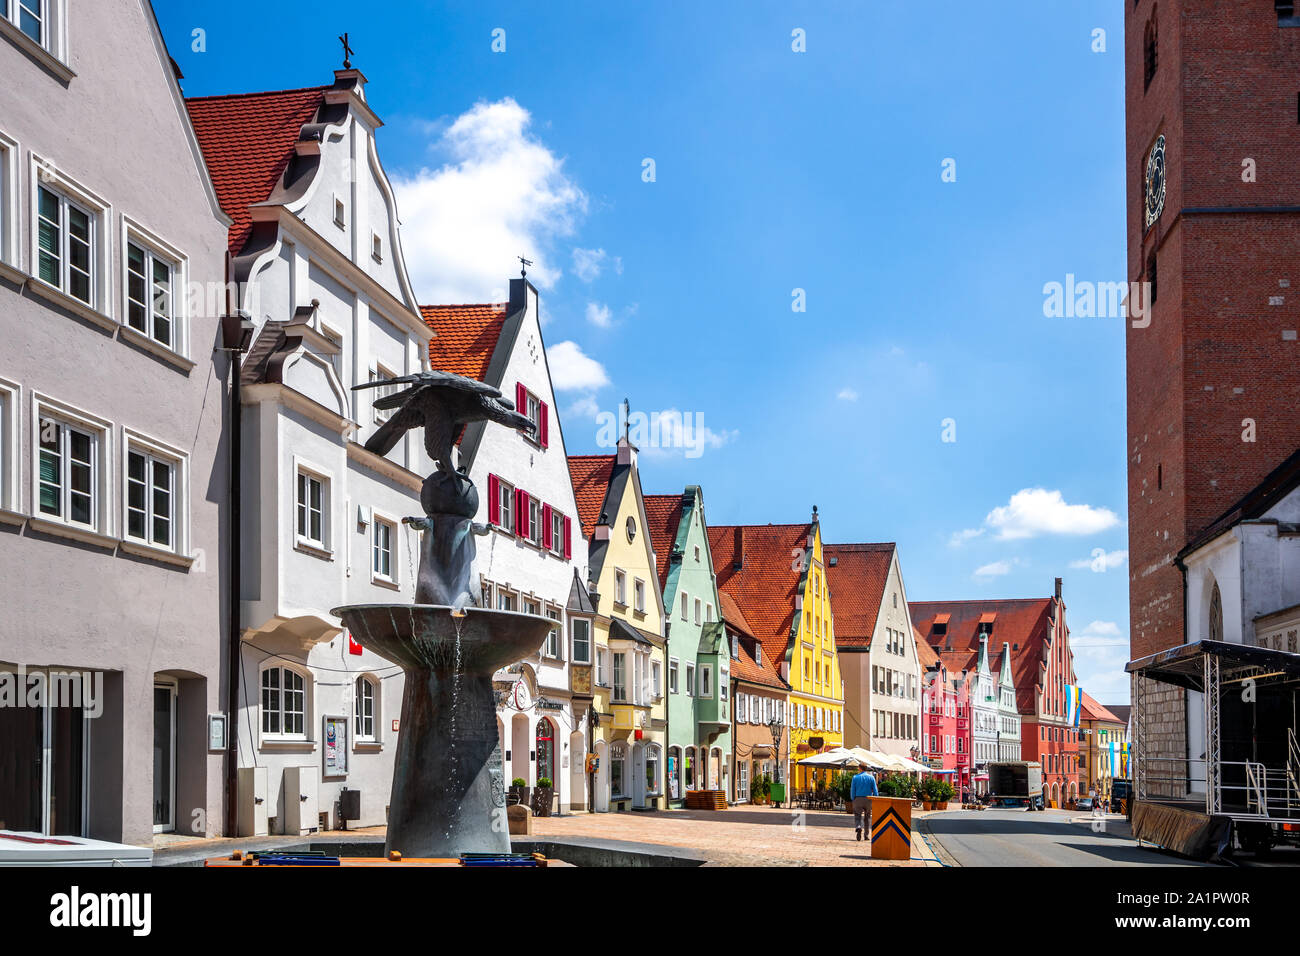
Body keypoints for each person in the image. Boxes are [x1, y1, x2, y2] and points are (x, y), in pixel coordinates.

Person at [850, 764, 879, 841]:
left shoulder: (855, 777)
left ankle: (858, 827)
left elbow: (853, 789)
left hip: (858, 798)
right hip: (868, 799)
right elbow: (875, 790)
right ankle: (866, 835)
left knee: (857, 815)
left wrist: (853, 798)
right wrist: (876, 798)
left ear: (859, 768)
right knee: (867, 817)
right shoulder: (871, 778)